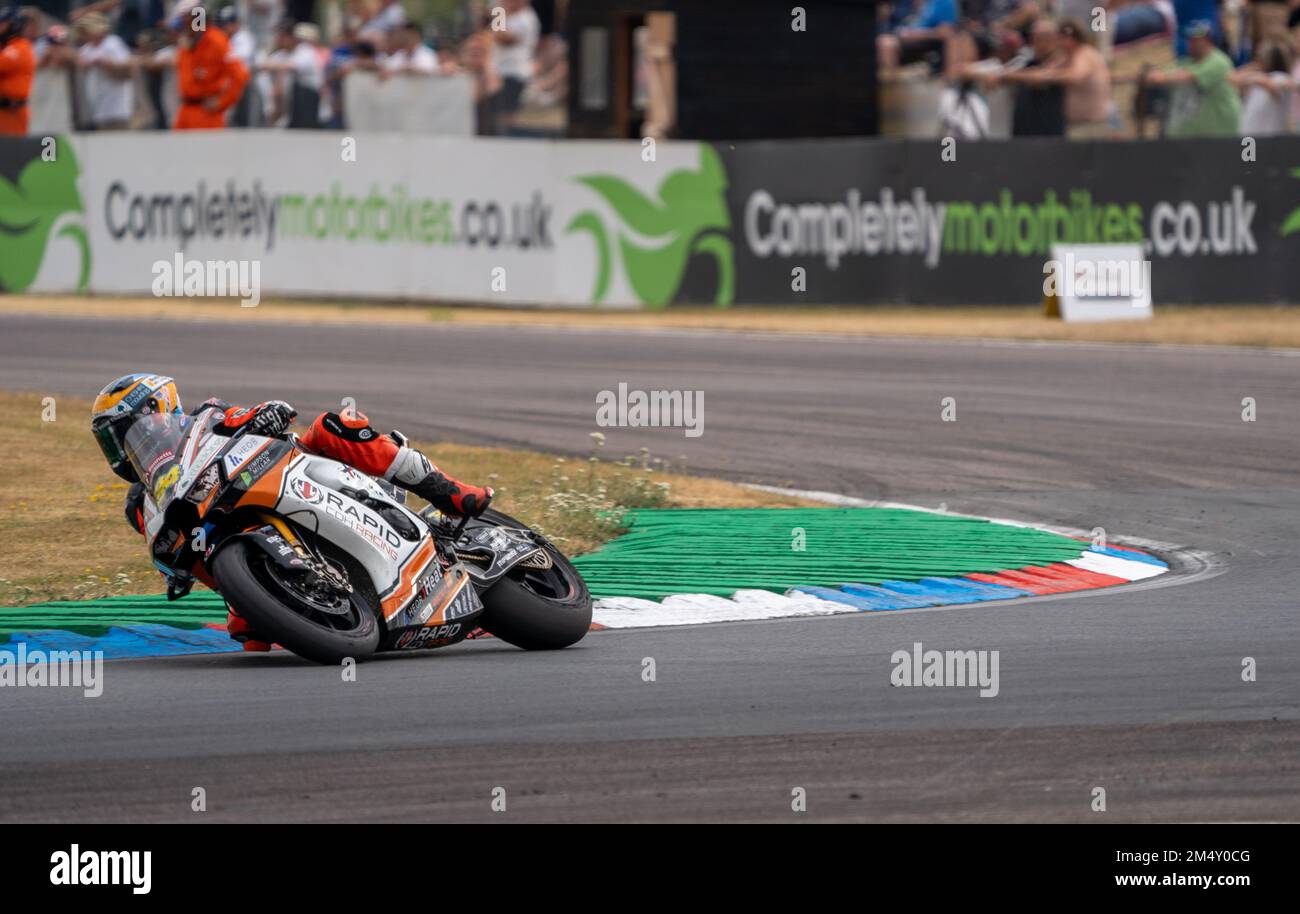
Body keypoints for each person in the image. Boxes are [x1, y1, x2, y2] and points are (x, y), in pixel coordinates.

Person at [91, 373, 494, 651]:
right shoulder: (140, 502)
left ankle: (451, 492)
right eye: (111, 439)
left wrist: (268, 414)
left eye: (125, 429)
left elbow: (252, 414)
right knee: (248, 634)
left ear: (157, 406)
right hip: (227, 536)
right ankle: (307, 599)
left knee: (336, 426)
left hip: (295, 471)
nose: (121, 444)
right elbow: (169, 553)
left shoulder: (206, 417)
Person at [1147, 19, 1242, 135]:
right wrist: (1153, 74)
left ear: (1208, 40)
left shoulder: (1218, 61)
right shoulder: (1187, 62)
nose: (1190, 43)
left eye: (1196, 39)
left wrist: (1161, 77)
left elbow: (1188, 77)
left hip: (1220, 137)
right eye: (1190, 39)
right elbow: (1164, 72)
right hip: (1188, 140)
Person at [174, 6, 248, 128]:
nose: (184, 23)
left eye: (187, 19)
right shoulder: (187, 42)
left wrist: (222, 102)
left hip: (206, 114)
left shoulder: (217, 41)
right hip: (184, 112)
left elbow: (239, 75)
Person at [75, 10, 134, 129]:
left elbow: (128, 67)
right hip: (98, 106)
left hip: (117, 106)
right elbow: (80, 63)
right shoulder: (86, 49)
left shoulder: (113, 43)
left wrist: (106, 63)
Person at [492, 0, 539, 133]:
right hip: (500, 72)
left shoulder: (527, 18)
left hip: (515, 73)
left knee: (507, 116)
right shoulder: (505, 14)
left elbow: (500, 37)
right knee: (497, 114)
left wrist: (499, 11)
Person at [0, 6, 35, 135]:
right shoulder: (5, 47)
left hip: (12, 111)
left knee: (11, 152)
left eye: (3, 23)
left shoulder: (20, 46)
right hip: (3, 112)